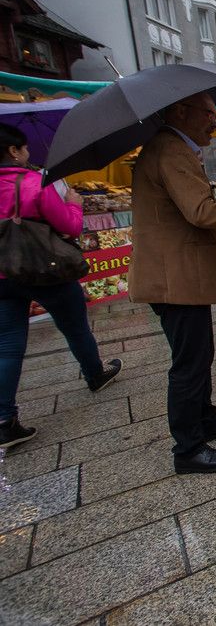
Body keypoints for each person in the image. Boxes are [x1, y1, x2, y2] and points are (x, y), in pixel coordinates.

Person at [129, 92, 216, 475]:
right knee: (189, 362)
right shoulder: (170, 149)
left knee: (200, 353)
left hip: (179, 275)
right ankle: (188, 447)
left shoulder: (172, 147)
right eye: (208, 113)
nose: (215, 121)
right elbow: (200, 210)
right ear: (180, 110)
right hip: (174, 277)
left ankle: (205, 419)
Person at [0, 123, 122, 448]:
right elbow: (70, 226)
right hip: (46, 270)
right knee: (74, 326)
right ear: (13, 151)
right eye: (24, 148)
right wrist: (74, 204)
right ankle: (95, 373)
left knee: (8, 344)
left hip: (3, 275)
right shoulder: (34, 183)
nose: (27, 153)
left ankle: (4, 419)